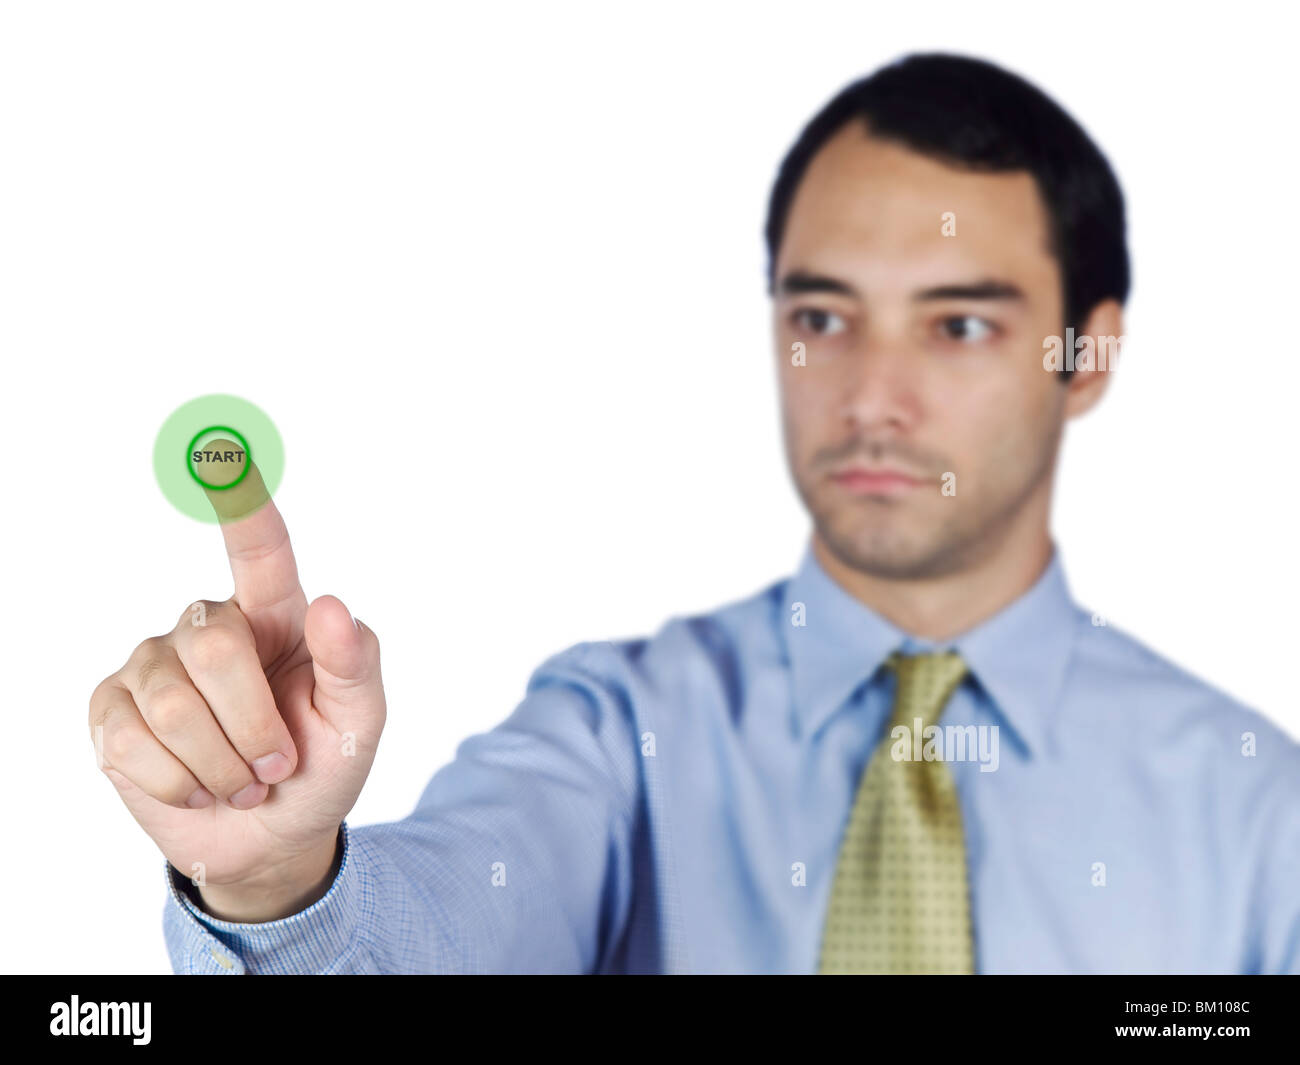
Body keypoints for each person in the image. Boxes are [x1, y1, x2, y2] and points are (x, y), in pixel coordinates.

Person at [90, 52, 1300, 974]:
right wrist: (284, 884)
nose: (872, 399)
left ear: (1084, 355)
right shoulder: (614, 736)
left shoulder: (1258, 815)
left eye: (959, 324)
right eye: (822, 318)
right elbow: (441, 929)